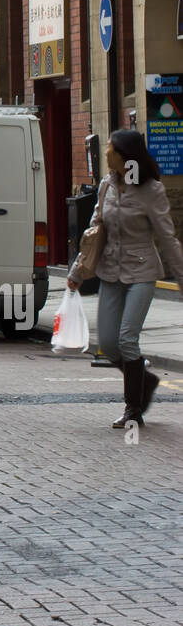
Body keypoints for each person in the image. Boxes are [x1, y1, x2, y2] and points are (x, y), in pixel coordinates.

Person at [68, 128, 183, 428]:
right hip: (110, 272)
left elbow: (167, 237)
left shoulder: (151, 190)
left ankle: (133, 409)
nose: (106, 152)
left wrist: (181, 276)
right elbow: (94, 231)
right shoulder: (107, 185)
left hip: (142, 272)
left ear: (124, 156)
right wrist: (77, 272)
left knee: (127, 339)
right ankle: (146, 379)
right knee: (108, 342)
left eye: (110, 148)